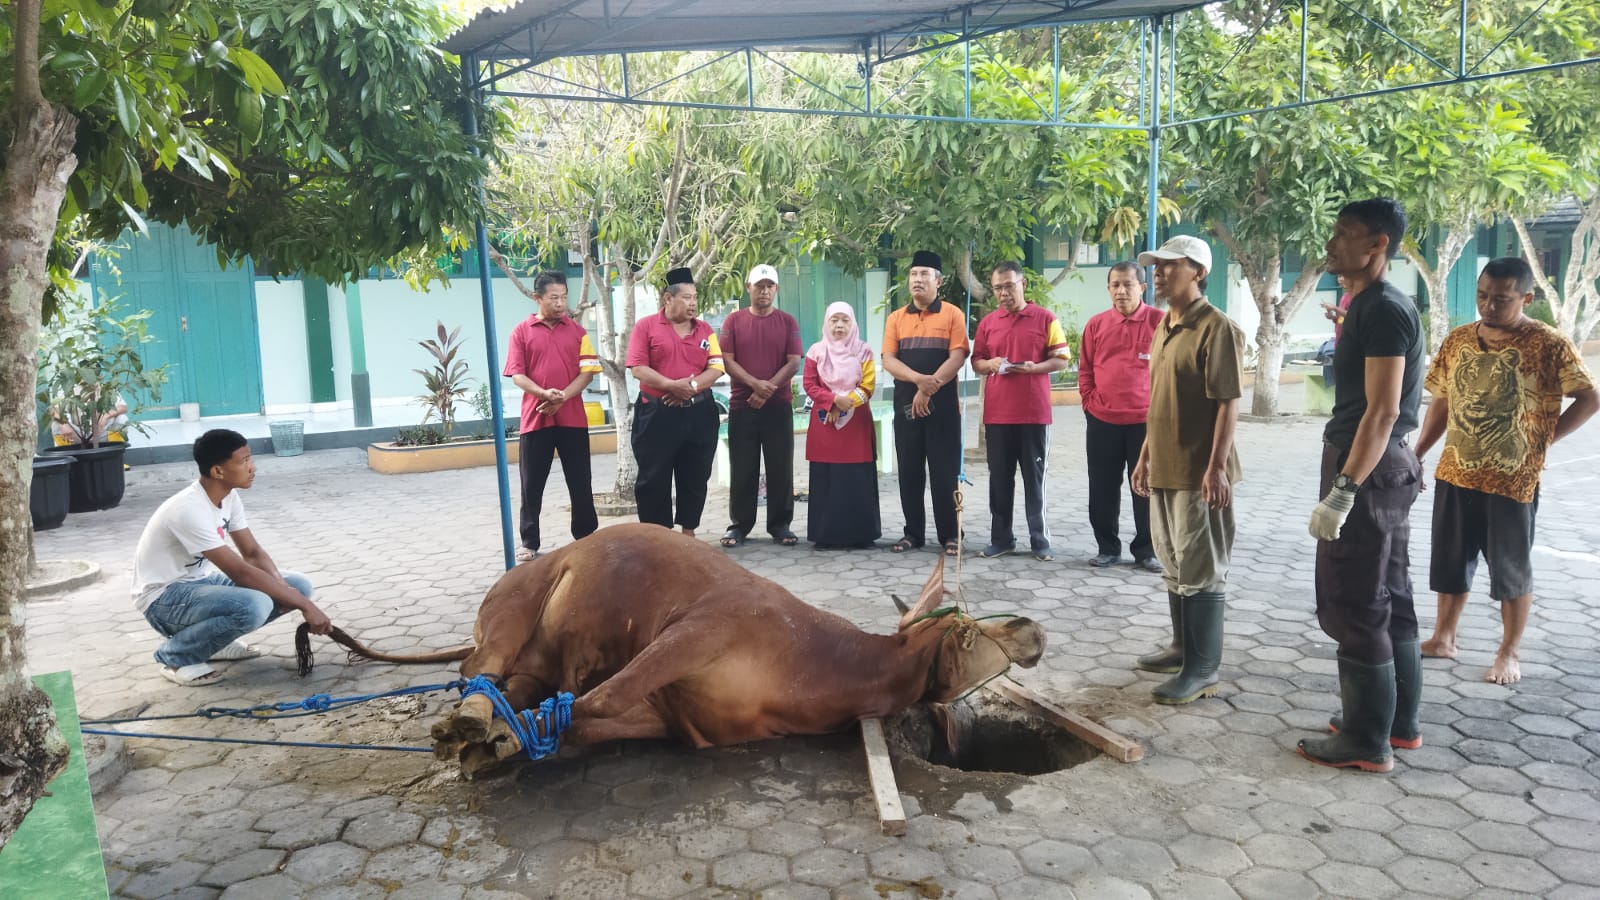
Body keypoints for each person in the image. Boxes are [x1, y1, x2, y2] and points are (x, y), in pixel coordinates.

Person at [1415, 257, 1597, 685]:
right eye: (1482, 296)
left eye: (1502, 299)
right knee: (1450, 561)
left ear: (1526, 298)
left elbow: (1590, 399)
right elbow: (1442, 399)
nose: (1489, 306)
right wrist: (1419, 451)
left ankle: (1509, 653)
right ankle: (1443, 638)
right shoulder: (1459, 340)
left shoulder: (1548, 343)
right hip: (1457, 471)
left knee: (1510, 569)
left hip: (1513, 478)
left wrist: (1542, 439)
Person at [1298, 198, 1425, 774]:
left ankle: (1365, 739)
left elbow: (1381, 411)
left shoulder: (1383, 310)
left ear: (1378, 244)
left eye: (1345, 234)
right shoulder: (1368, 306)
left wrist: (1344, 489)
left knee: (1356, 600)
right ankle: (1396, 723)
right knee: (1390, 594)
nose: (1331, 243)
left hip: (1369, 468)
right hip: (1384, 466)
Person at [1130, 235, 1244, 706]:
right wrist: (1144, 457)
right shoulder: (1166, 325)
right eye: (1155, 267)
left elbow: (1228, 403)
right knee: (1174, 564)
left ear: (1198, 271)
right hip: (1166, 467)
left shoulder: (1217, 328)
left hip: (1200, 471)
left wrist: (1216, 468)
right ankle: (1181, 648)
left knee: (1201, 569)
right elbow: (1160, 402)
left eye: (1168, 266)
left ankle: (1202, 668)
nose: (1157, 273)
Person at [131, 429, 332, 687]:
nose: (252, 467)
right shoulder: (188, 509)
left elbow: (252, 553)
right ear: (218, 471)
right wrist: (306, 606)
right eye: (244, 461)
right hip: (163, 598)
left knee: (299, 585)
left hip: (199, 585)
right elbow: (240, 571)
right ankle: (177, 656)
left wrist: (289, 591)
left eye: (250, 459)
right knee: (254, 605)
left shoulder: (229, 496)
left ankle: (213, 644)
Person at [970, 262, 1071, 561]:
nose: (1003, 293)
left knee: (1034, 478)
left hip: (1033, 414)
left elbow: (1062, 358)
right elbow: (977, 361)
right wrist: (990, 365)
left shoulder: (1045, 318)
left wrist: (1034, 368)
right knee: (999, 479)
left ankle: (1040, 540)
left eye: (1009, 286)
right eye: (998, 288)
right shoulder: (988, 323)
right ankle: (1001, 539)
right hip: (998, 415)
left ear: (1023, 284)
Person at [503, 270, 602, 563]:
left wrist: (562, 397)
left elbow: (587, 373)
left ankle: (585, 537)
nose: (560, 303)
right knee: (531, 483)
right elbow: (517, 375)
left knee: (581, 482)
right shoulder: (521, 331)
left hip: (572, 419)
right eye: (553, 298)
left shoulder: (578, 332)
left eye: (563, 297)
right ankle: (529, 541)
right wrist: (544, 395)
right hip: (535, 420)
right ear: (538, 298)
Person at [882, 250, 970, 556]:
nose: (917, 280)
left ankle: (951, 534)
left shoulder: (952, 314)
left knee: (944, 471)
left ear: (939, 281)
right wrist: (919, 381)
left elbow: (958, 355)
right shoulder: (896, 318)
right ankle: (913, 534)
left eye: (924, 275)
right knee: (909, 470)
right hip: (906, 405)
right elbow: (889, 360)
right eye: (913, 274)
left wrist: (929, 387)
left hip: (943, 405)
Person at [1079, 261, 1165, 574]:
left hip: (1147, 422)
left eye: (1128, 284)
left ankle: (1147, 550)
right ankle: (1107, 547)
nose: (1121, 291)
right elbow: (1085, 368)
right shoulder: (1096, 325)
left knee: (1147, 486)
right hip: (1102, 419)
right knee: (1102, 486)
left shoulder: (1160, 322)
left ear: (1143, 288)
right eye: (1115, 285)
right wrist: (1089, 402)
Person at [626, 267, 725, 536]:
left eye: (695, 298)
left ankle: (688, 531)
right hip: (656, 414)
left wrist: (690, 387)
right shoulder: (646, 327)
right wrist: (671, 386)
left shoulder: (705, 330)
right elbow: (637, 368)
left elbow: (716, 368)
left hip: (699, 413)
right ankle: (657, 537)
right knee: (653, 477)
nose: (692, 303)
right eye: (686, 297)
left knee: (695, 474)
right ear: (667, 299)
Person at [719, 264, 803, 548]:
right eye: (759, 286)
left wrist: (766, 390)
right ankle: (739, 525)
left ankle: (781, 525)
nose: (764, 291)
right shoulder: (733, 322)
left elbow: (793, 361)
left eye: (769, 286)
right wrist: (754, 385)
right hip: (743, 405)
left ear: (776, 289)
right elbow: (727, 360)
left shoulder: (788, 321)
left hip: (778, 405)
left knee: (781, 465)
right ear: (748, 288)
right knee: (743, 467)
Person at [802, 302, 881, 548]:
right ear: (826, 323)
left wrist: (845, 403)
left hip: (856, 422)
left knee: (855, 477)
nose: (839, 325)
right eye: (834, 320)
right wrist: (832, 400)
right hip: (825, 421)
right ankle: (825, 535)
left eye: (844, 320)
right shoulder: (816, 351)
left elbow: (868, 386)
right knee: (826, 477)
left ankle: (860, 535)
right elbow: (809, 384)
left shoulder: (864, 351)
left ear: (853, 323)